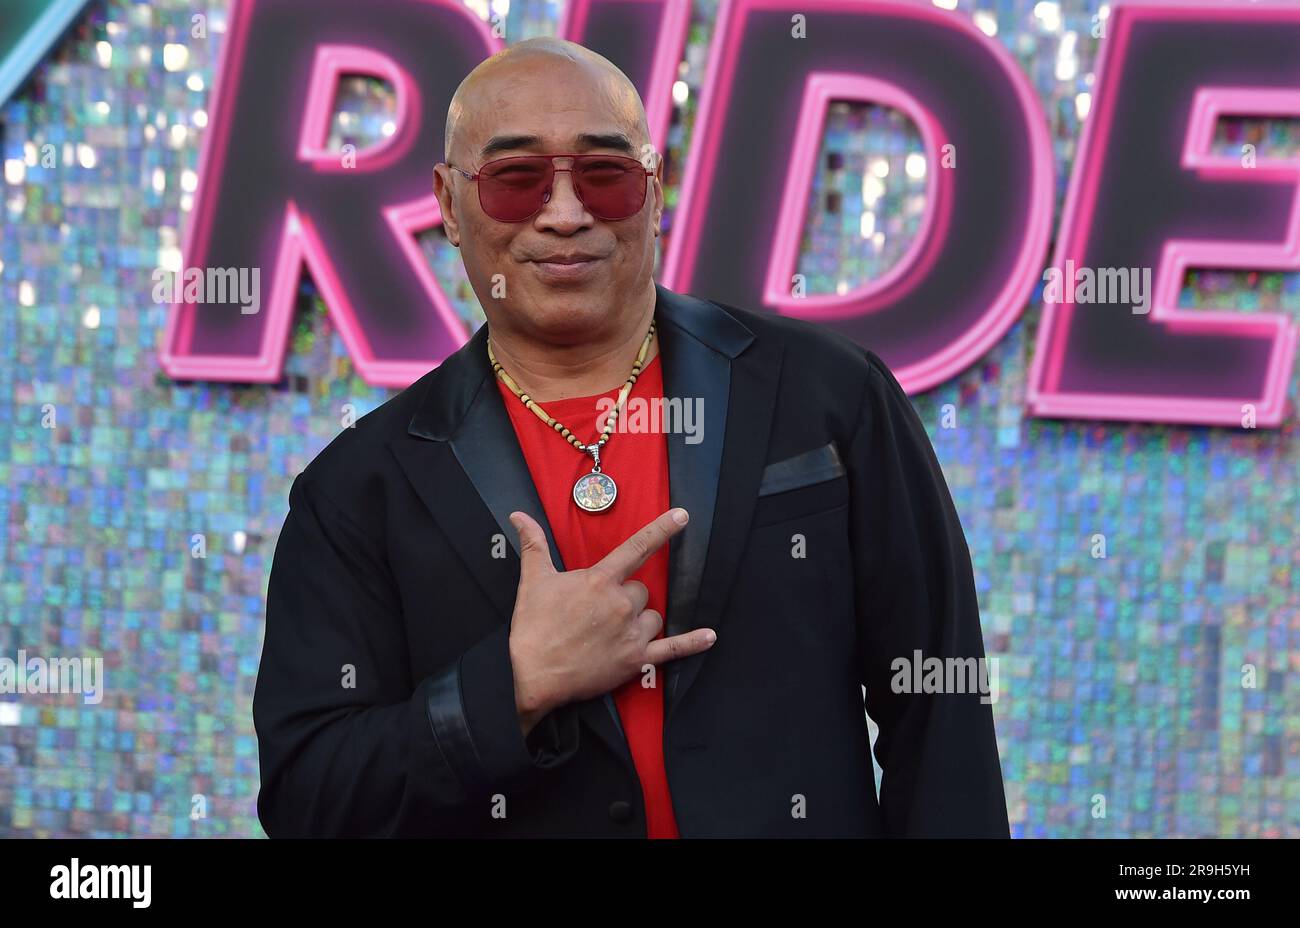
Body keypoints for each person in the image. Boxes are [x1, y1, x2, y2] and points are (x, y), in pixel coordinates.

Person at [252, 37, 1009, 838]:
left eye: (605, 175)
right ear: (448, 202)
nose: (565, 212)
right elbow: (310, 797)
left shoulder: (829, 396)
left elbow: (941, 712)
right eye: (517, 178)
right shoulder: (358, 490)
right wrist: (513, 686)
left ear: (654, 191)